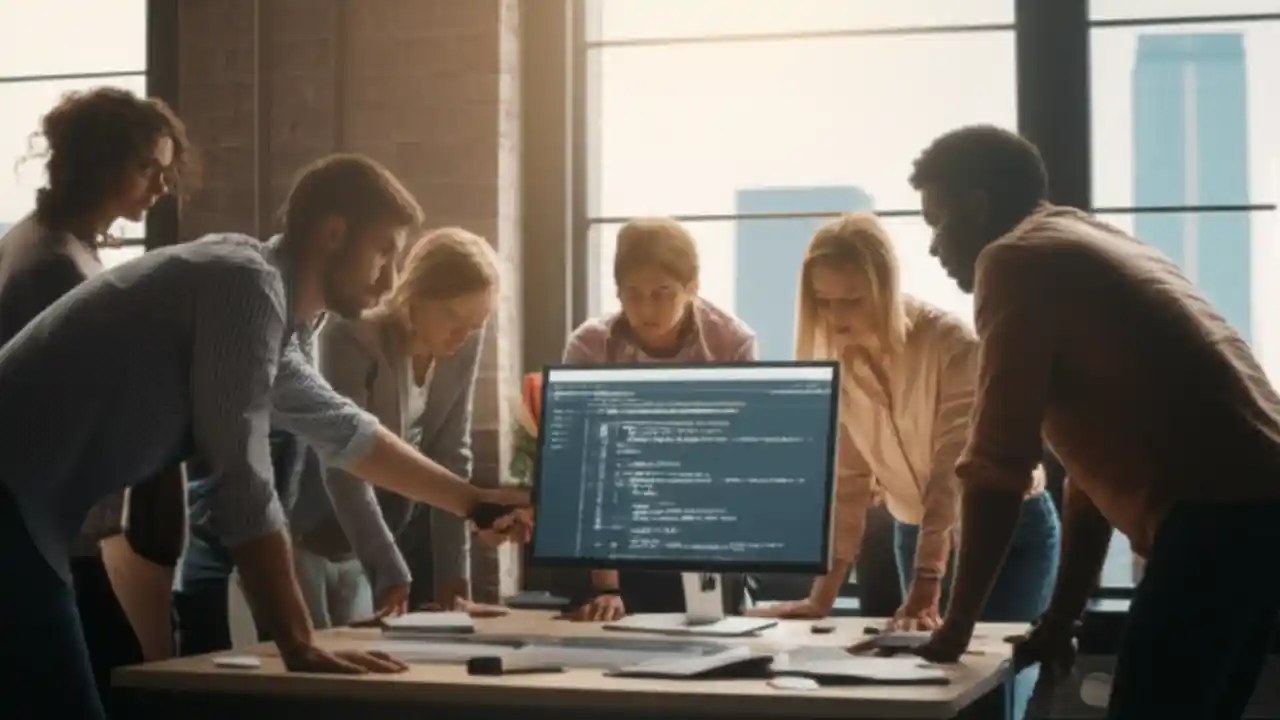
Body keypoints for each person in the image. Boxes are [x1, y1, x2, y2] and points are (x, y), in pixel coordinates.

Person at [0, 152, 530, 719]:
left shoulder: (269, 307)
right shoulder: (246, 286)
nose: (393, 275)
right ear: (333, 233)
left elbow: (347, 432)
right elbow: (242, 484)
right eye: (384, 250)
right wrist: (298, 642)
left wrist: (474, 502)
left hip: (33, 513)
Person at [907, 125, 1280, 719]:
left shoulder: (1014, 260)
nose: (932, 247)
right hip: (1256, 508)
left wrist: (954, 629)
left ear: (976, 207)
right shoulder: (1087, 240)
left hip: (1219, 515)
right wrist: (1062, 618)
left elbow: (998, 468)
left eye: (936, 221)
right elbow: (1090, 480)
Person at [749, 213, 1059, 627]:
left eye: (852, 300)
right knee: (921, 670)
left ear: (885, 286)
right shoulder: (838, 355)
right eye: (824, 301)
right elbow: (849, 482)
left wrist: (927, 581)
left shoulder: (951, 344)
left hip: (1001, 527)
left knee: (990, 679)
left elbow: (952, 473)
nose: (836, 316)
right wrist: (821, 598)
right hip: (914, 529)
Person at [0, 87, 193, 699]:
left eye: (165, 170)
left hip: (57, 531)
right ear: (98, 163)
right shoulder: (52, 266)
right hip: (37, 532)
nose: (160, 185)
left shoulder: (54, 246)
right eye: (146, 168)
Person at [290, 226, 498, 626]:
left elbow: (451, 456)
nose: (463, 334)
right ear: (413, 297)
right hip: (303, 536)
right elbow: (344, 463)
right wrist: (389, 568)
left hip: (364, 547)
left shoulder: (464, 340)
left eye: (476, 322)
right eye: (453, 315)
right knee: (309, 678)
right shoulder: (351, 335)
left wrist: (455, 587)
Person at [561, 217, 758, 622]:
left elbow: (737, 469)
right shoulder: (591, 346)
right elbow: (586, 471)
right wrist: (607, 585)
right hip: (614, 531)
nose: (646, 308)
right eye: (633, 294)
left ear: (693, 287)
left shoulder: (732, 344)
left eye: (662, 293)